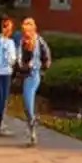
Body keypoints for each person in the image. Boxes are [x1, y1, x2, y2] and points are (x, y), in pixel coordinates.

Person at [14, 17, 51, 147]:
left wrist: (43, 66)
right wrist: (21, 66)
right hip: (23, 74)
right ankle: (32, 127)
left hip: (33, 75)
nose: (26, 35)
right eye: (24, 32)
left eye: (28, 32)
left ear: (33, 30)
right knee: (26, 105)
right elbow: (17, 59)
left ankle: (33, 123)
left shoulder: (39, 41)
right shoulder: (20, 42)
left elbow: (47, 56)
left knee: (27, 100)